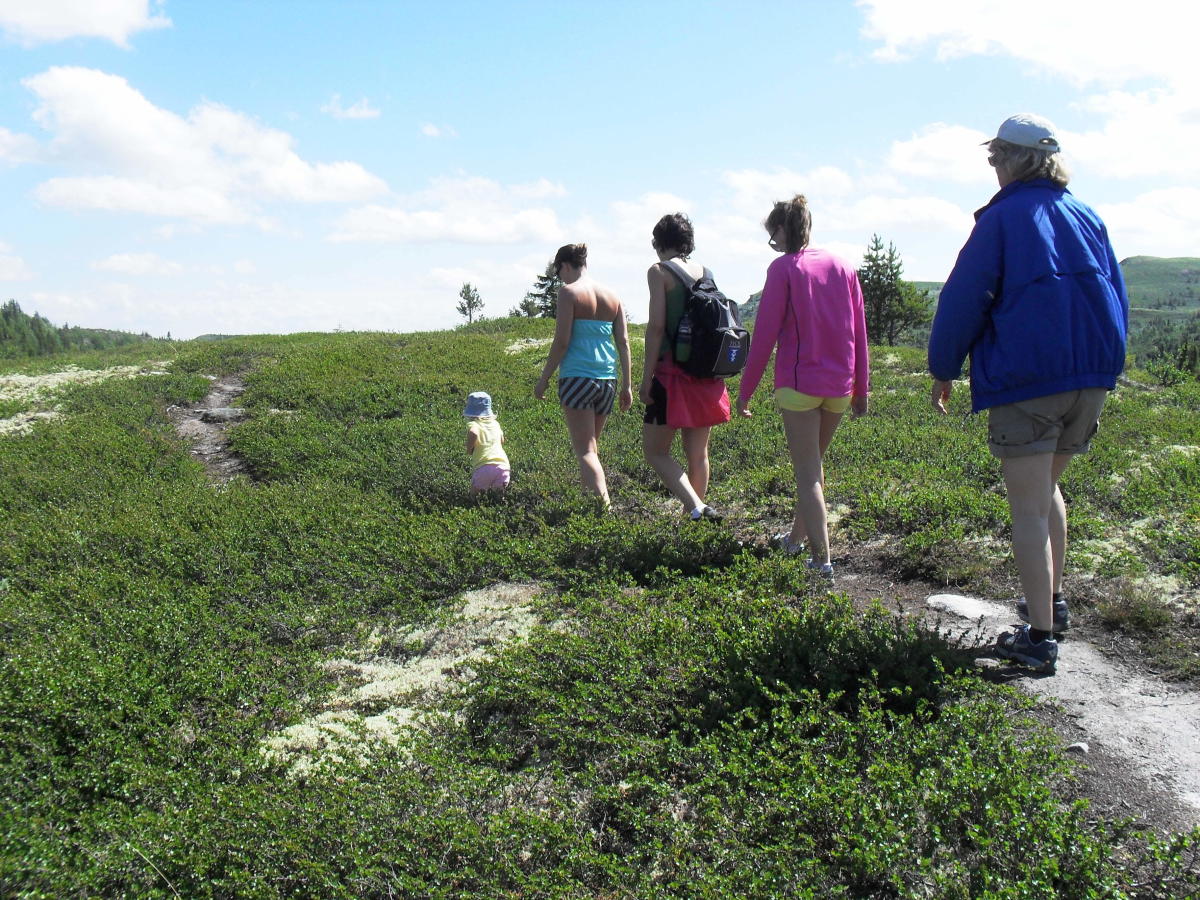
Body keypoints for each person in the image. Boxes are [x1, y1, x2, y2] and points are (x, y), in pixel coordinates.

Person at [928, 113, 1128, 674]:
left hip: (1027, 379)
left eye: (995, 158)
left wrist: (943, 367)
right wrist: (1105, 369)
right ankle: (1053, 604)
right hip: (1089, 378)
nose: (993, 168)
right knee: (1047, 492)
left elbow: (965, 296)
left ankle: (1039, 639)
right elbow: (1117, 294)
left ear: (1018, 161)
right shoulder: (1087, 215)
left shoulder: (1002, 219)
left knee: (1028, 511)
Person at [736, 195, 869, 578]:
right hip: (840, 386)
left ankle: (822, 561)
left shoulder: (783, 269)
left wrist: (746, 390)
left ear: (784, 229)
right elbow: (860, 332)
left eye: (772, 235)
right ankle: (794, 542)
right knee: (815, 469)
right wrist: (862, 389)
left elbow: (764, 335)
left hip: (799, 385)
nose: (772, 243)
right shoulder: (843, 266)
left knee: (808, 473)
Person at [641, 213, 731, 521]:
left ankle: (696, 508)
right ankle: (696, 521)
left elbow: (655, 329)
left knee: (655, 451)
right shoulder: (706, 272)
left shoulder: (659, 272)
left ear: (659, 243)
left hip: (671, 375)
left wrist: (645, 379)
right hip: (706, 375)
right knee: (698, 454)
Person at [534, 243, 632, 506]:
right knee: (592, 448)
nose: (561, 278)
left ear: (565, 266)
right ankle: (588, 501)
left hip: (577, 377)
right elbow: (623, 342)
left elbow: (562, 341)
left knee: (586, 451)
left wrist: (543, 379)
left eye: (559, 272)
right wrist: (627, 386)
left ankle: (604, 509)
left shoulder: (568, 293)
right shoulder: (613, 295)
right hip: (607, 380)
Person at [463, 391, 510, 496]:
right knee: (497, 498)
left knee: (474, 496)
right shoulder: (495, 424)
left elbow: (473, 432)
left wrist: (469, 449)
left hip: (484, 467)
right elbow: (502, 440)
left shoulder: (474, 423)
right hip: (503, 466)